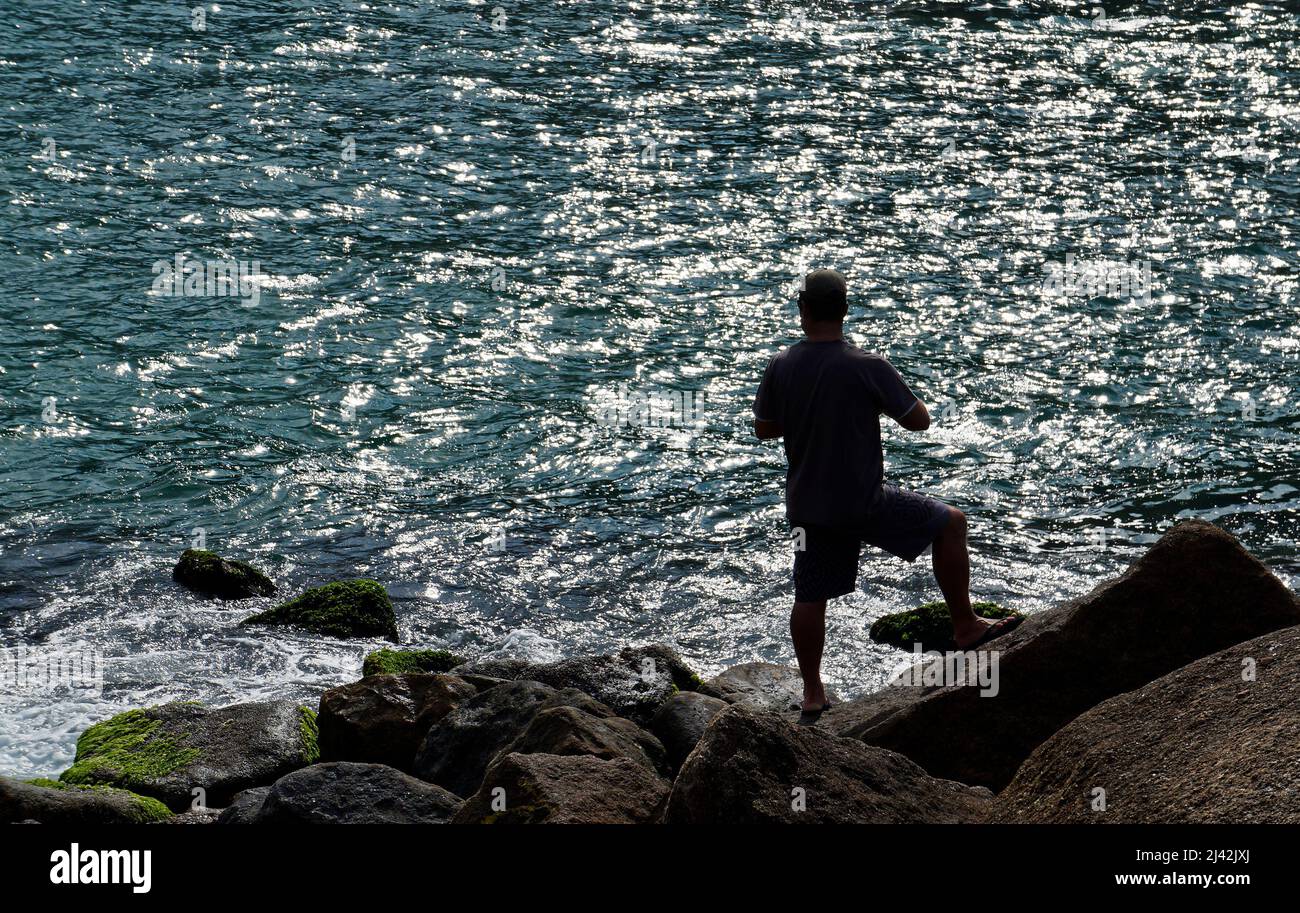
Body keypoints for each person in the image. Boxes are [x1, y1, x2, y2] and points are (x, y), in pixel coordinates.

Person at [753, 269, 1020, 722]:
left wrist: (804, 416)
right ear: (844, 309)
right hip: (864, 502)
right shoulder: (867, 366)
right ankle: (965, 625)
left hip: (809, 509)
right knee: (950, 523)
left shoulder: (782, 365)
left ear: (803, 311)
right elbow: (919, 421)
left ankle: (813, 693)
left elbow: (764, 429)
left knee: (809, 594)